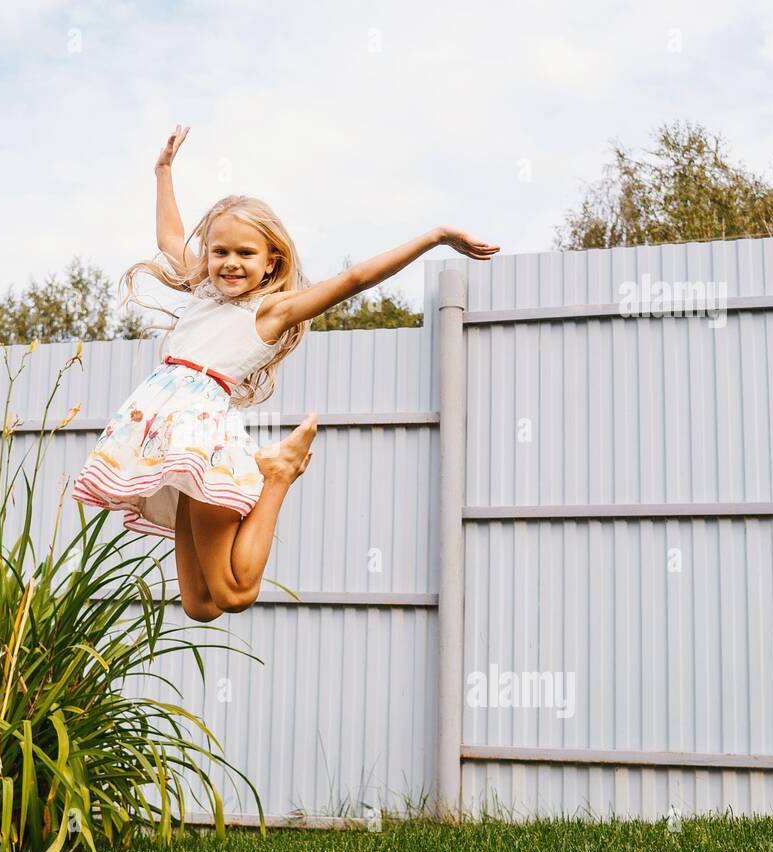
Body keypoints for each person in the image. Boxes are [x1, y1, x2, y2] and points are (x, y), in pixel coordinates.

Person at [71, 124, 499, 622]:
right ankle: (270, 475)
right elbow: (169, 235)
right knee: (200, 606)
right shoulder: (204, 291)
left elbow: (356, 278)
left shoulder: (269, 312)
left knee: (234, 595)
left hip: (199, 439)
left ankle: (277, 475)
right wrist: (163, 172)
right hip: (170, 442)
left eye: (245, 253)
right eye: (220, 251)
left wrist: (435, 237)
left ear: (271, 261)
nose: (230, 263)